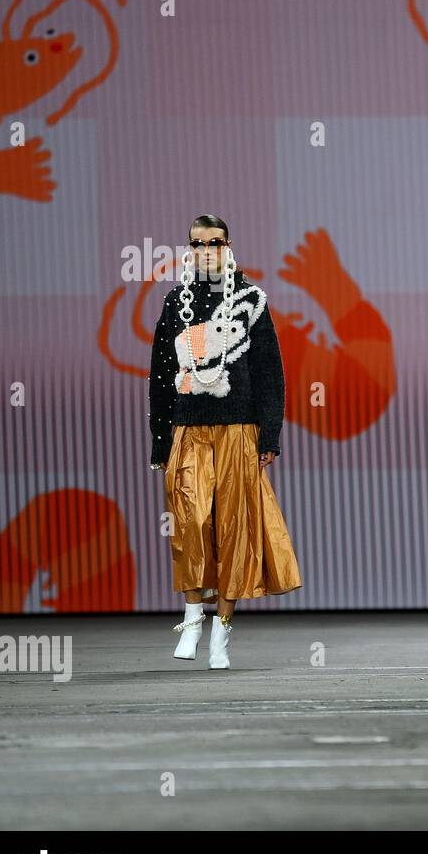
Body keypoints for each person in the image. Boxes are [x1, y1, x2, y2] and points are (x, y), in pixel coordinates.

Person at [149, 214, 302, 667]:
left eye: (213, 242)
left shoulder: (251, 301)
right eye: (197, 244)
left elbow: (270, 374)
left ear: (228, 245)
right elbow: (160, 378)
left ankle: (223, 631)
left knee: (235, 529)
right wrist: (161, 440)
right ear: (190, 249)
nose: (206, 251)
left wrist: (269, 434)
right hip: (189, 428)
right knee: (191, 521)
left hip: (239, 430)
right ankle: (193, 617)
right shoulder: (176, 301)